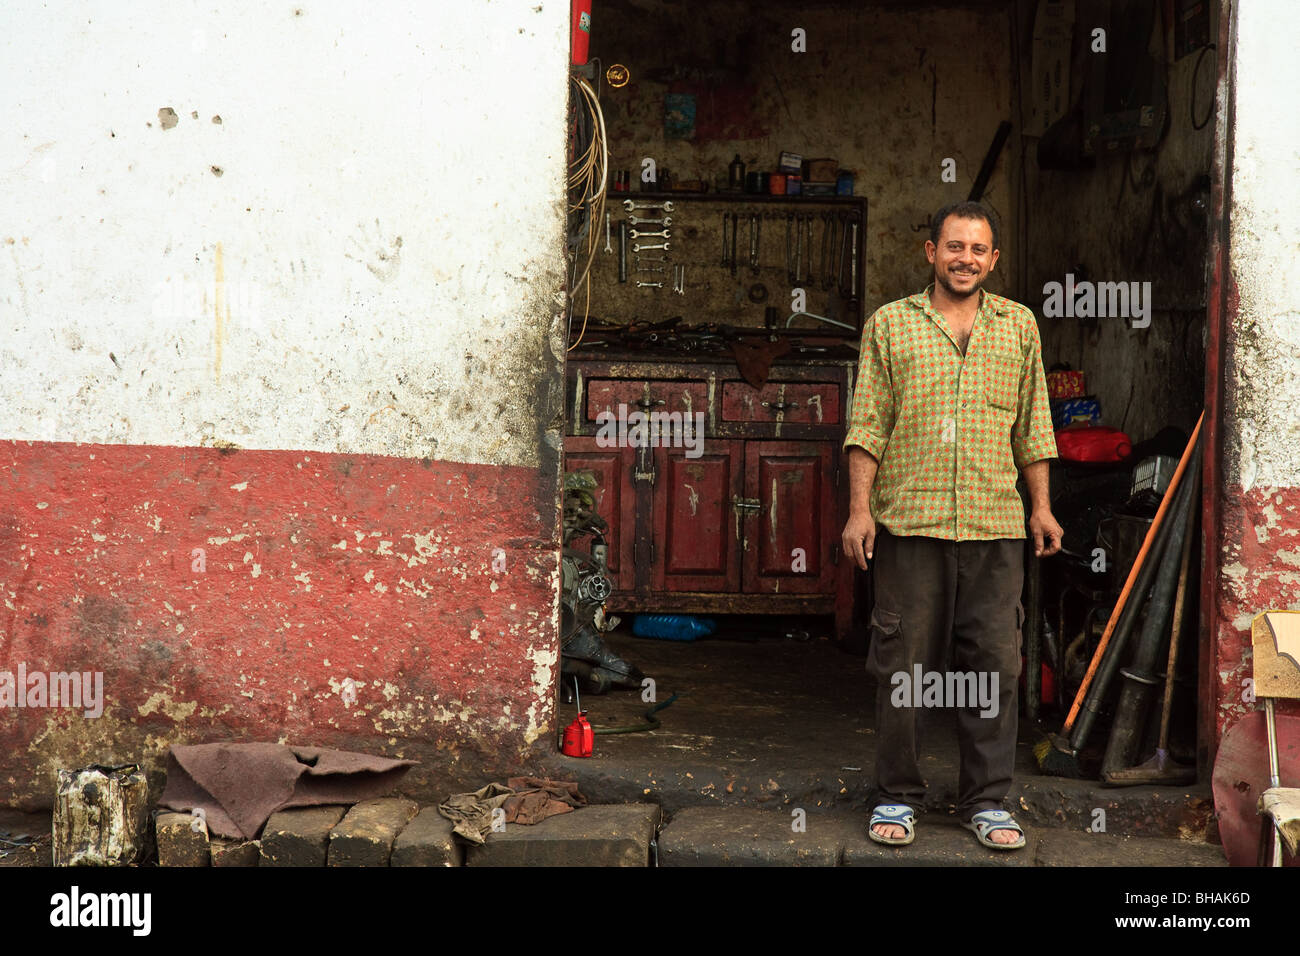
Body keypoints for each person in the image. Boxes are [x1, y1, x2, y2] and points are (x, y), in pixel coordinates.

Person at [840, 201, 1063, 850]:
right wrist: (860, 511)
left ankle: (986, 800)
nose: (965, 258)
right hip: (912, 526)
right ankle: (898, 796)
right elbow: (867, 428)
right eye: (953, 246)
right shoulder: (890, 327)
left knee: (996, 667)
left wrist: (1041, 505)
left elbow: (1034, 427)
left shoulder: (1018, 327)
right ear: (930, 252)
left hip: (995, 530)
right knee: (903, 667)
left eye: (978, 249)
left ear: (993, 260)